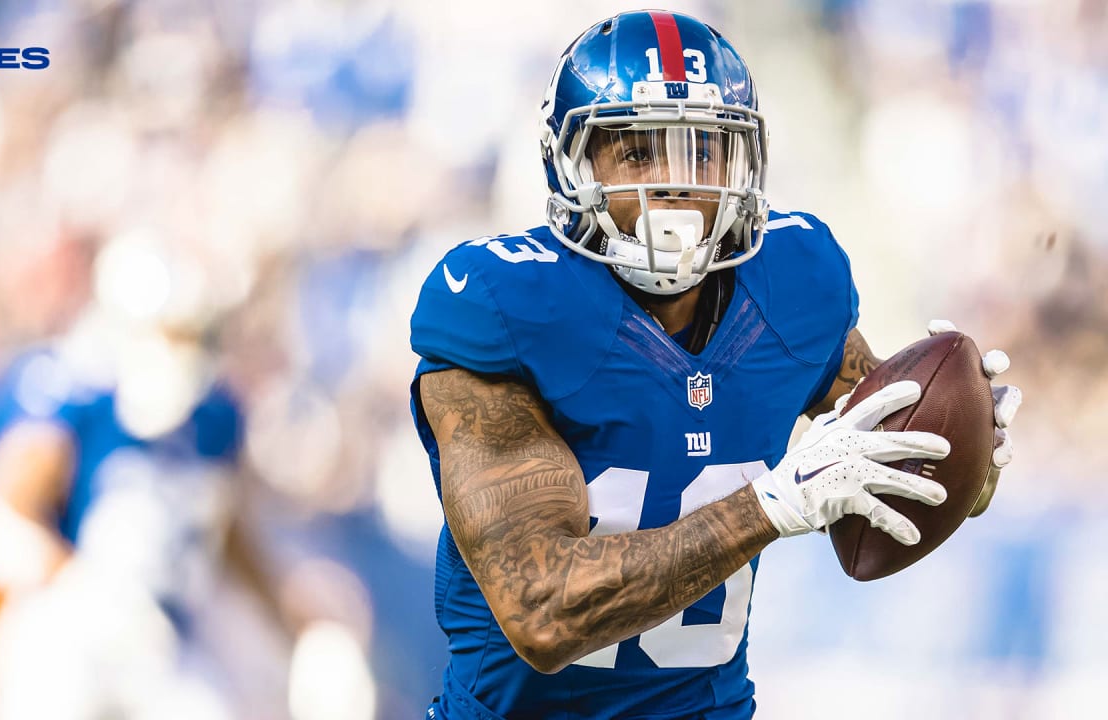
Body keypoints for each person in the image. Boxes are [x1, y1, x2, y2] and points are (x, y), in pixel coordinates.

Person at [407, 10, 1021, 719]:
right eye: (638, 154)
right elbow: (544, 614)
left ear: (744, 161)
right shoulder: (503, 305)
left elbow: (886, 460)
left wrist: (969, 456)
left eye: (700, 153)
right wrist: (769, 506)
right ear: (572, 165)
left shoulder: (796, 283)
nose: (673, 185)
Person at [0, 236, 291, 719]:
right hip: (67, 627)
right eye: (170, 333)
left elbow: (230, 536)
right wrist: (80, 585)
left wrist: (292, 626)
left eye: (192, 334)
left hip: (166, 638)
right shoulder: (76, 390)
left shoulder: (215, 415)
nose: (183, 350)